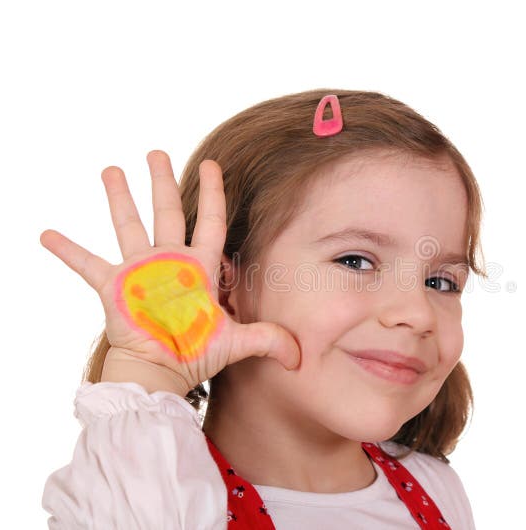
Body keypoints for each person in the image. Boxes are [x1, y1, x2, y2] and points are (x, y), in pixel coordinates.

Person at [40, 89, 487, 529]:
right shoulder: (156, 501)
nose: (419, 313)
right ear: (223, 288)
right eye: (355, 261)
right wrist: (148, 373)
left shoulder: (438, 490)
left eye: (440, 282)